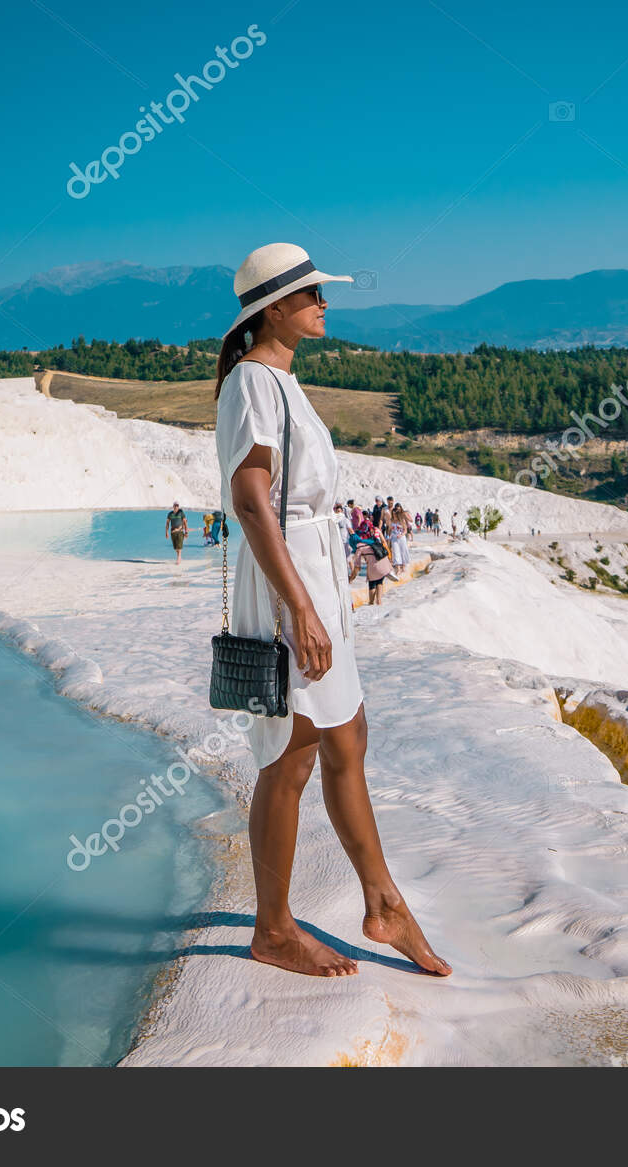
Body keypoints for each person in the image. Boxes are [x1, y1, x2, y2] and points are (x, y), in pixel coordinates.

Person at [214, 241, 448, 979]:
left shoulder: (282, 381)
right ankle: (275, 929)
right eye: (312, 292)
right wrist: (302, 610)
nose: (325, 302)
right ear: (273, 307)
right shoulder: (253, 382)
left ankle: (383, 903)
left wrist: (324, 601)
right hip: (292, 585)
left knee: (347, 737)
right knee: (294, 752)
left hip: (313, 578)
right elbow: (251, 502)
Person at [350, 527, 394, 603]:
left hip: (374, 568)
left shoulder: (359, 547)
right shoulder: (372, 541)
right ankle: (379, 601)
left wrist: (351, 578)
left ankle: (371, 603)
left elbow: (357, 567)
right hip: (384, 564)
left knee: (372, 584)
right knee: (379, 581)